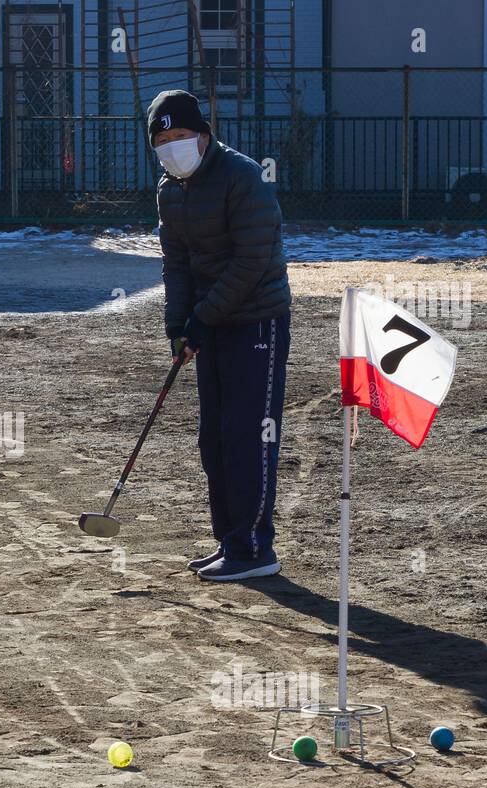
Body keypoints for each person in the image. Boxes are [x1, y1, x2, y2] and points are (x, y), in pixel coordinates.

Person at [150, 89, 292, 582]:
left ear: (203, 135)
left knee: (247, 436)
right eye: (162, 140)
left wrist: (203, 318)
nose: (172, 146)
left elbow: (252, 261)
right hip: (209, 322)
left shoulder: (243, 177)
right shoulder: (170, 190)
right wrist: (178, 325)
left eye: (181, 135)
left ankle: (254, 548)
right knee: (213, 437)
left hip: (256, 320)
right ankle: (231, 541)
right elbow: (177, 264)